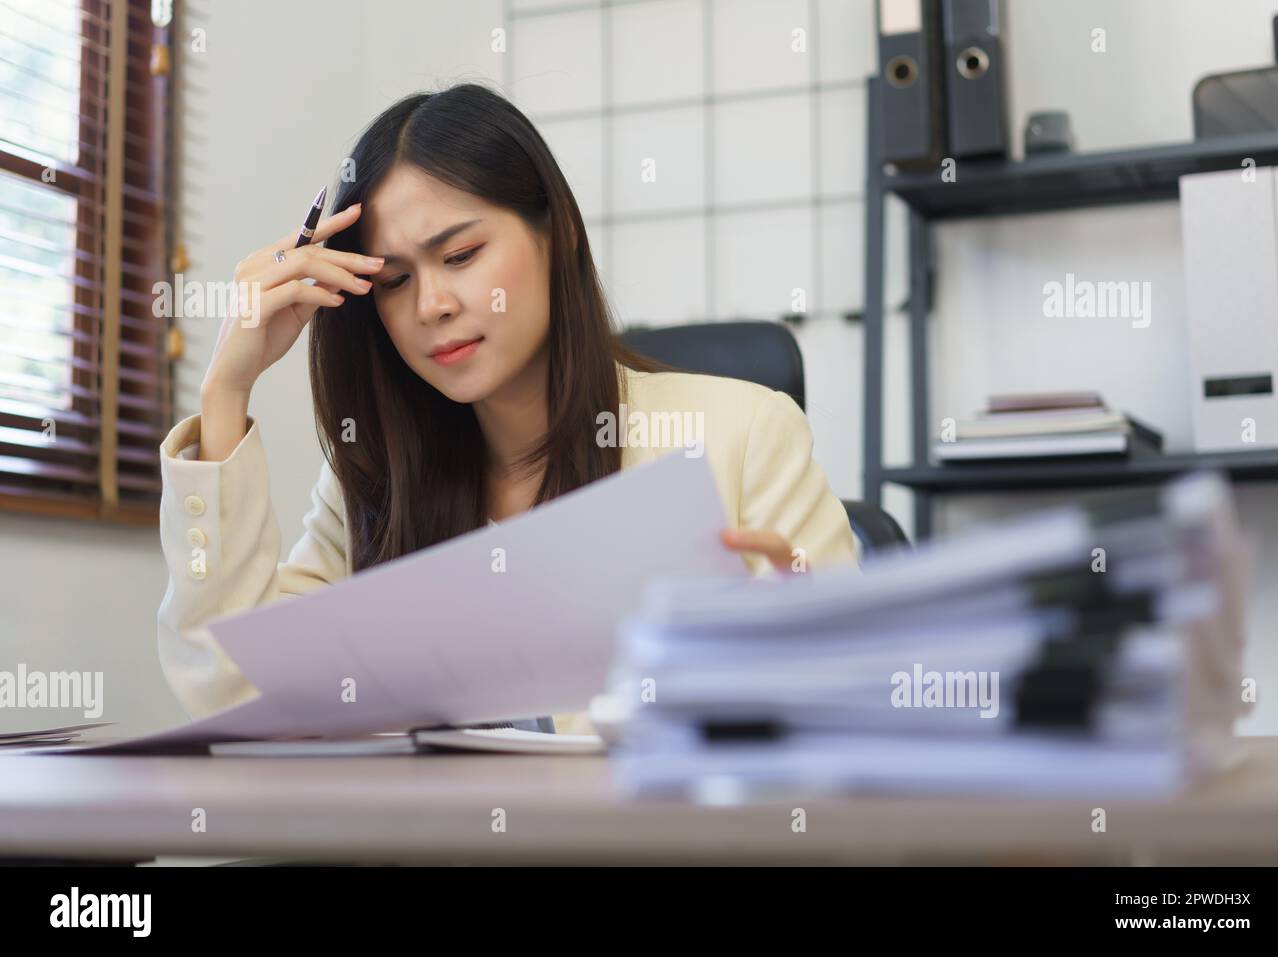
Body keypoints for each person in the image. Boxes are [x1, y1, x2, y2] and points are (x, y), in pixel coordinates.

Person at [158, 83, 856, 731]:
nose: (433, 304)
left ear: (561, 234)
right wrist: (226, 393)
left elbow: (849, 725)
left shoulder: (743, 437)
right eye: (396, 281)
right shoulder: (374, 484)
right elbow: (232, 691)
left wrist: (789, 662)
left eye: (460, 255)